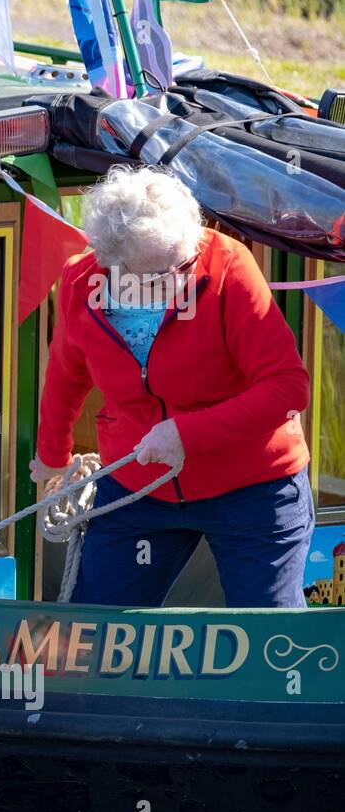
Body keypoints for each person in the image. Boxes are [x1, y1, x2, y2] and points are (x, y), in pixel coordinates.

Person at [32, 166, 313, 607]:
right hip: (139, 486)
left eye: (183, 262)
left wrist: (186, 435)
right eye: (159, 272)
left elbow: (288, 388)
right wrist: (52, 458)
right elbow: (67, 375)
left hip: (252, 487)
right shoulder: (79, 283)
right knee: (92, 635)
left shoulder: (229, 267)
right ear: (111, 263)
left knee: (269, 648)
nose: (179, 277)